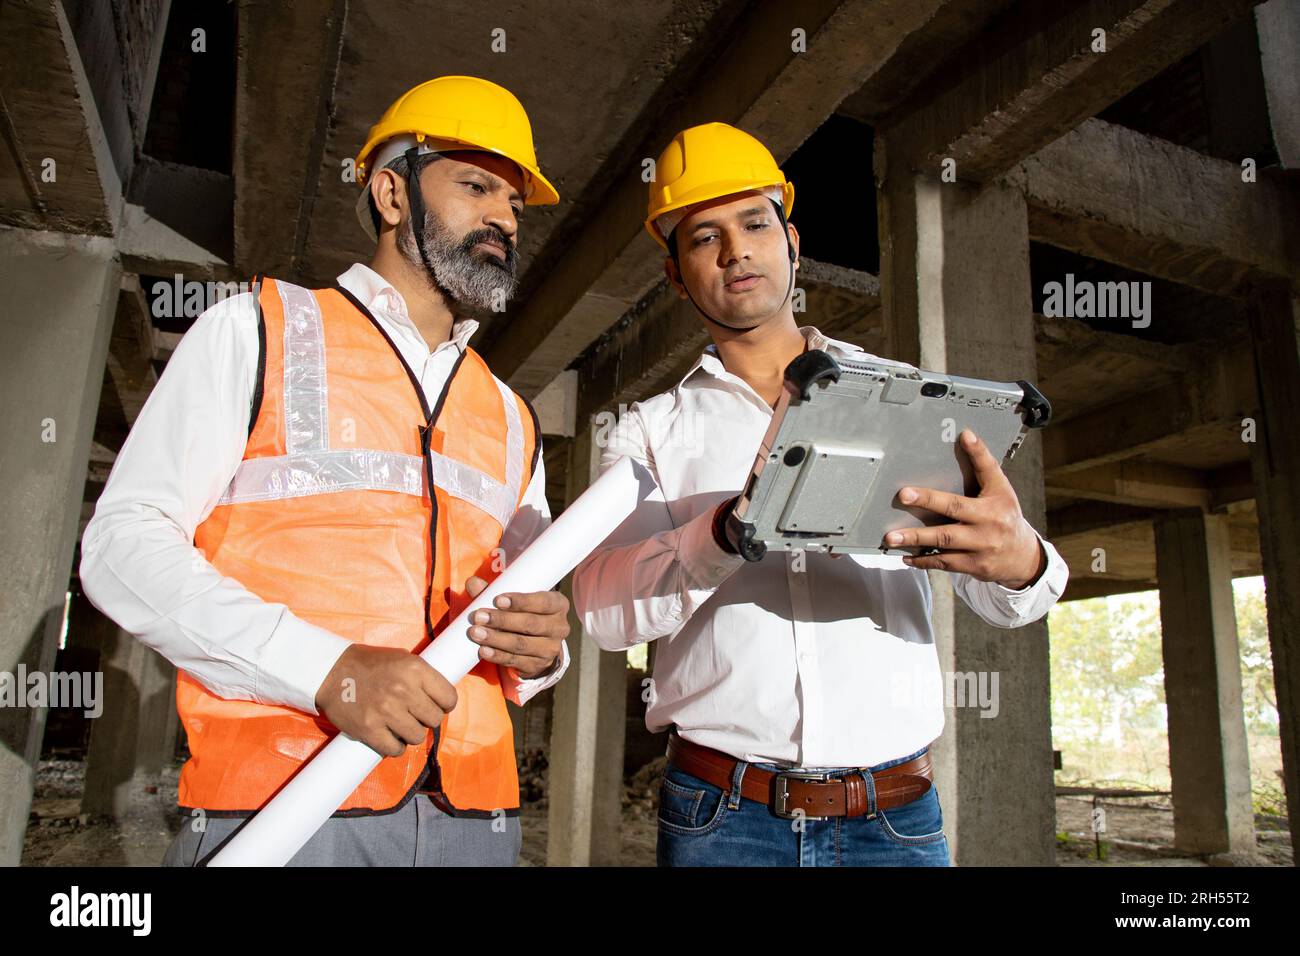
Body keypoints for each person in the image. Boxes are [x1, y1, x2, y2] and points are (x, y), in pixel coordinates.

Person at [80, 76, 571, 866]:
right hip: (286, 806)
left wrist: (543, 653)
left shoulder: (511, 415)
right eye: (476, 185)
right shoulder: (257, 332)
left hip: (475, 821)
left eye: (514, 204)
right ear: (390, 193)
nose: (503, 219)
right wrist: (328, 672)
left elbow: (521, 609)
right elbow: (122, 548)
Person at [571, 122, 1069, 867]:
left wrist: (1022, 559)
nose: (736, 250)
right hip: (720, 819)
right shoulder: (646, 433)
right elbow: (604, 613)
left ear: (792, 242)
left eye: (753, 224)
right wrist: (724, 536)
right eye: (703, 236)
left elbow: (1013, 601)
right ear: (676, 275)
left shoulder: (905, 399)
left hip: (896, 822)